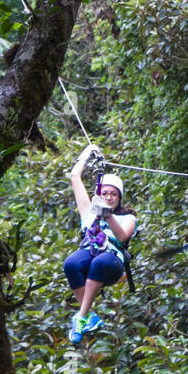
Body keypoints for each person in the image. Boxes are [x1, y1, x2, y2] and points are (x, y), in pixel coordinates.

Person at [63, 144, 137, 344]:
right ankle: (87, 316)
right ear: (99, 194)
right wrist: (87, 153)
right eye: (105, 193)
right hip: (89, 253)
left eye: (113, 194)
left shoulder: (128, 217)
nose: (109, 197)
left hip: (111, 262)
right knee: (70, 264)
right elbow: (74, 177)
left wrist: (108, 215)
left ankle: (80, 316)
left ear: (119, 198)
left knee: (100, 262)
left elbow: (122, 237)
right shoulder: (88, 211)